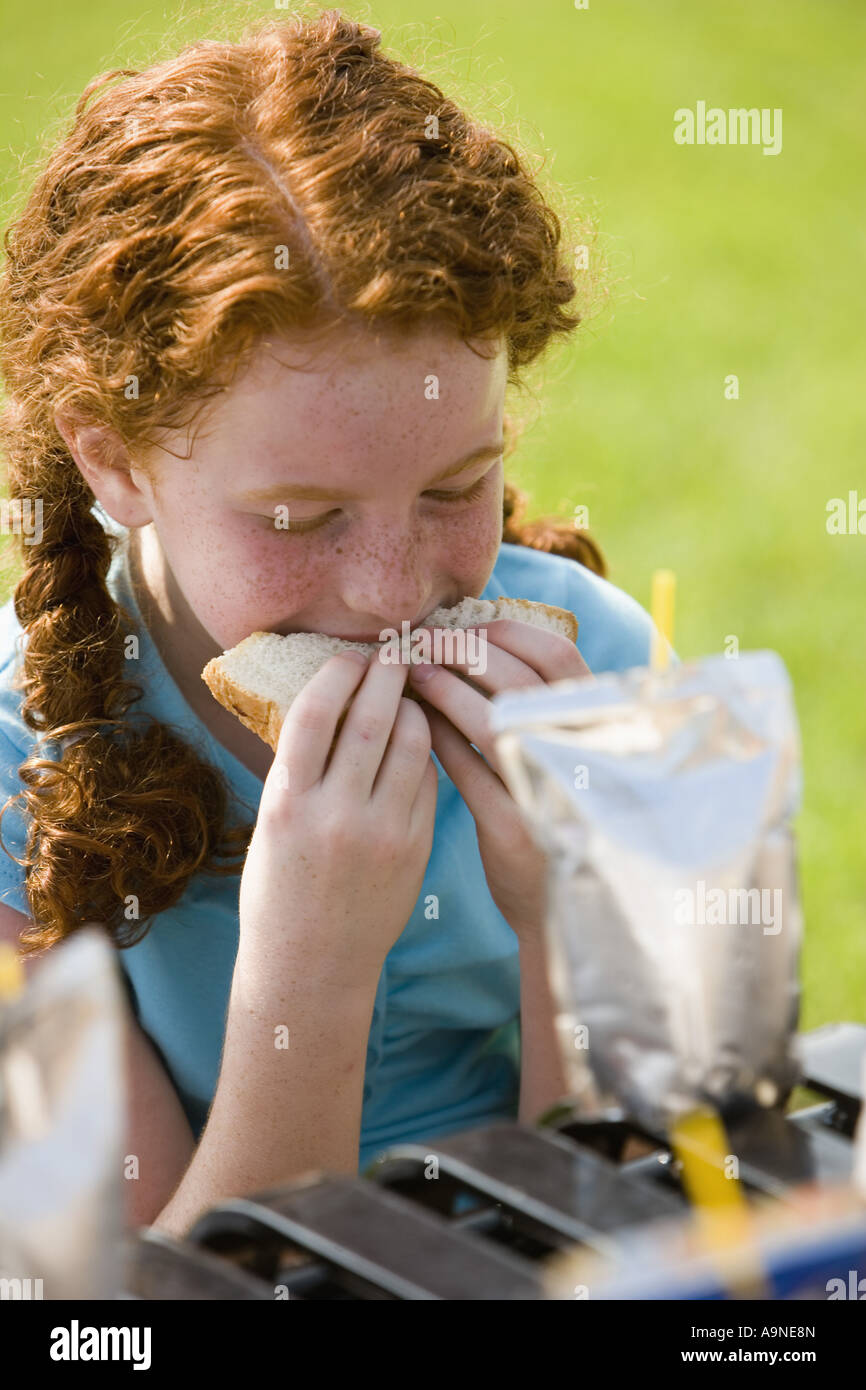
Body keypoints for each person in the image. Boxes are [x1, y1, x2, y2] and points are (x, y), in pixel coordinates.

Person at [0, 10, 658, 1236]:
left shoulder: (596, 677)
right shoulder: (10, 782)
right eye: (299, 517)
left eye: (455, 489)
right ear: (115, 461)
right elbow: (116, 1315)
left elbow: (664, 1237)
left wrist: (581, 926)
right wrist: (309, 975)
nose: (396, 592)